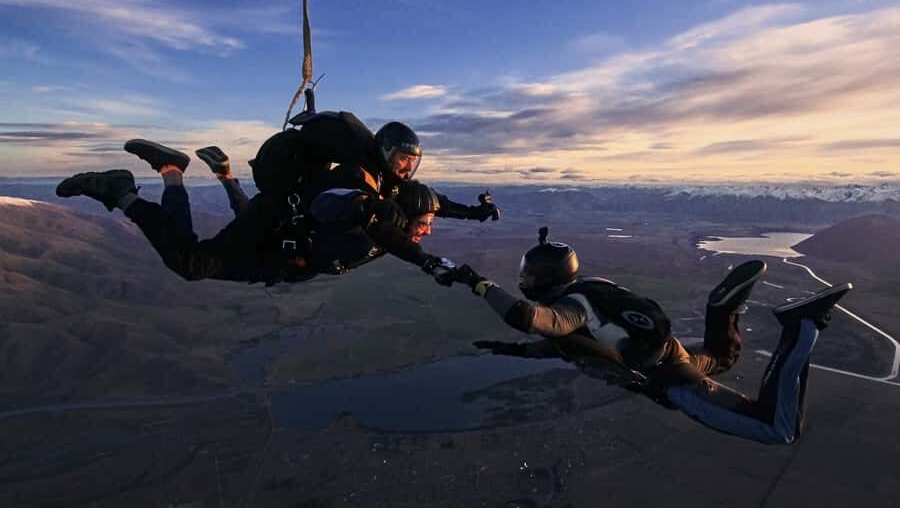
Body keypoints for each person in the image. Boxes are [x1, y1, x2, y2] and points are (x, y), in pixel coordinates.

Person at [454, 227, 853, 444]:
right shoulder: (591, 292)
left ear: (545, 279)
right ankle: (723, 310)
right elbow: (560, 346)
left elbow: (534, 320)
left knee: (776, 429)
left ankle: (803, 326)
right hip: (673, 357)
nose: (523, 280)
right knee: (723, 357)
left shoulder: (573, 309)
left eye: (528, 275)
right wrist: (511, 351)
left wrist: (479, 285)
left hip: (674, 383)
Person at [56, 121, 494, 285]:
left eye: (410, 161)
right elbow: (362, 215)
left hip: (282, 254)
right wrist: (425, 261)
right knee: (191, 263)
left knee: (196, 255)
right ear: (382, 150)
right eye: (400, 157)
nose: (405, 167)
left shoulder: (395, 194)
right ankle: (129, 189)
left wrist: (475, 213)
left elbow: (433, 204)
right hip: (276, 232)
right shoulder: (361, 194)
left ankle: (169, 176)